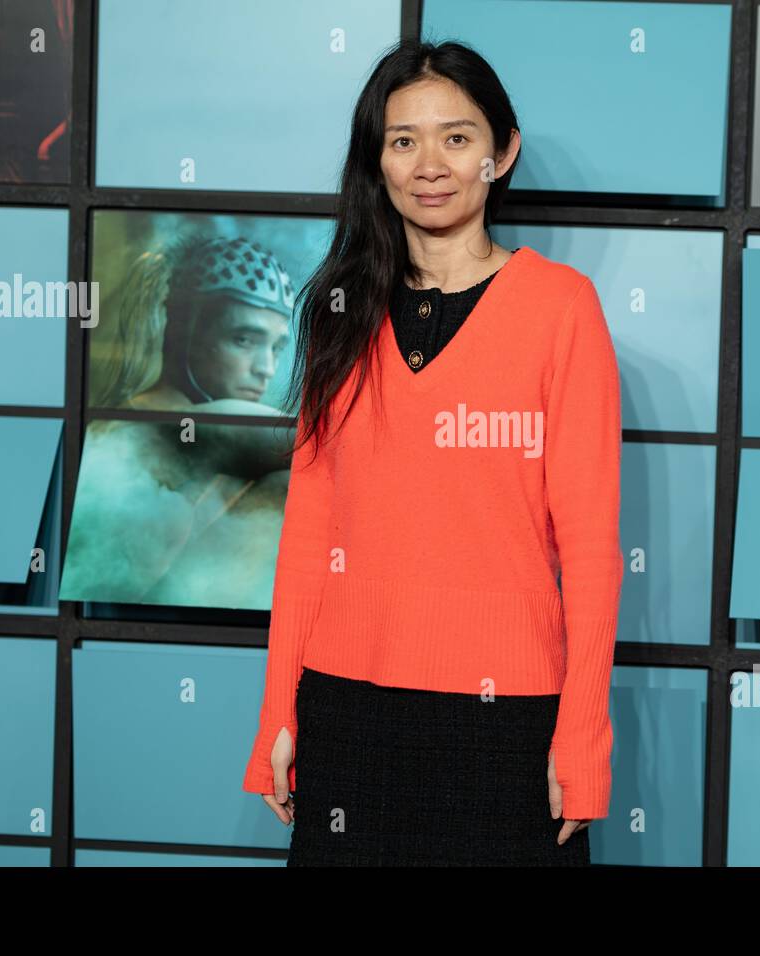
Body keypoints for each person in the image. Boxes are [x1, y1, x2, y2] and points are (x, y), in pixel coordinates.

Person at [242, 38, 624, 866]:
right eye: (402, 139)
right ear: (375, 159)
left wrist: (583, 732)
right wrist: (280, 713)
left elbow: (592, 548)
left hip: (506, 723)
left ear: (503, 152)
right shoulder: (340, 308)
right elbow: (309, 533)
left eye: (457, 137)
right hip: (348, 715)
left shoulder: (562, 310)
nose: (430, 163)